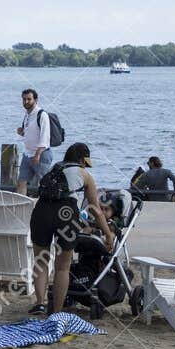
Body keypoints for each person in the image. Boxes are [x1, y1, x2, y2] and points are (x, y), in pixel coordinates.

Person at [30, 141, 114, 317]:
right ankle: (57, 312)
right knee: (62, 267)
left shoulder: (54, 168)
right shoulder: (85, 174)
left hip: (41, 211)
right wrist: (108, 234)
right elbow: (96, 210)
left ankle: (39, 304)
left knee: (40, 262)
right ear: (83, 161)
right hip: (65, 214)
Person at [15, 88, 54, 196]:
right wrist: (22, 132)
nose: (26, 102)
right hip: (27, 154)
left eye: (29, 99)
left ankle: (47, 208)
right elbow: (31, 134)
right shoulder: (27, 115)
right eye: (24, 99)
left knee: (44, 184)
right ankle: (20, 206)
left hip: (41, 155)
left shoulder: (42, 115)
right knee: (21, 182)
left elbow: (45, 138)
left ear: (35, 100)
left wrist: (37, 155)